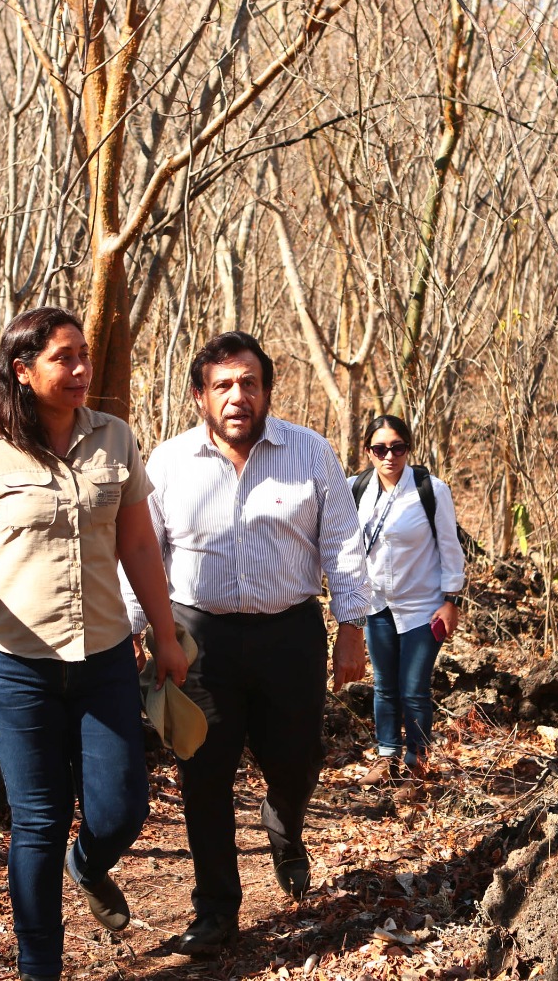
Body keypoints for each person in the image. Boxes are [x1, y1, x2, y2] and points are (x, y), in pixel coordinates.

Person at [0, 307, 187, 981]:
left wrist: (164, 636)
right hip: (15, 666)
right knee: (40, 819)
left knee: (122, 808)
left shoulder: (114, 438)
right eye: (64, 358)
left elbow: (138, 544)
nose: (82, 369)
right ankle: (39, 967)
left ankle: (90, 865)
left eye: (84, 355)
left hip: (105, 656)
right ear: (23, 371)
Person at [126, 330, 371, 957]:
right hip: (196, 637)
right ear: (200, 396)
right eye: (224, 385)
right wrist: (139, 630)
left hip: (288, 633)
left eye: (250, 384)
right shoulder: (168, 463)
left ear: (267, 390)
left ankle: (284, 824)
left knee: (295, 759)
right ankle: (216, 911)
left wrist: (352, 628)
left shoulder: (310, 454)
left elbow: (342, 542)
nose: (239, 396)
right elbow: (143, 552)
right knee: (202, 773)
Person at [349, 415, 466, 785]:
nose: (389, 456)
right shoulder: (356, 489)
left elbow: (450, 547)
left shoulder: (431, 490)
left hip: (423, 606)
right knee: (384, 685)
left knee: (414, 687)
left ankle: (418, 764)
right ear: (368, 451)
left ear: (408, 449)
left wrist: (451, 600)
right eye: (380, 448)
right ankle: (387, 757)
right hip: (377, 605)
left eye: (398, 447)